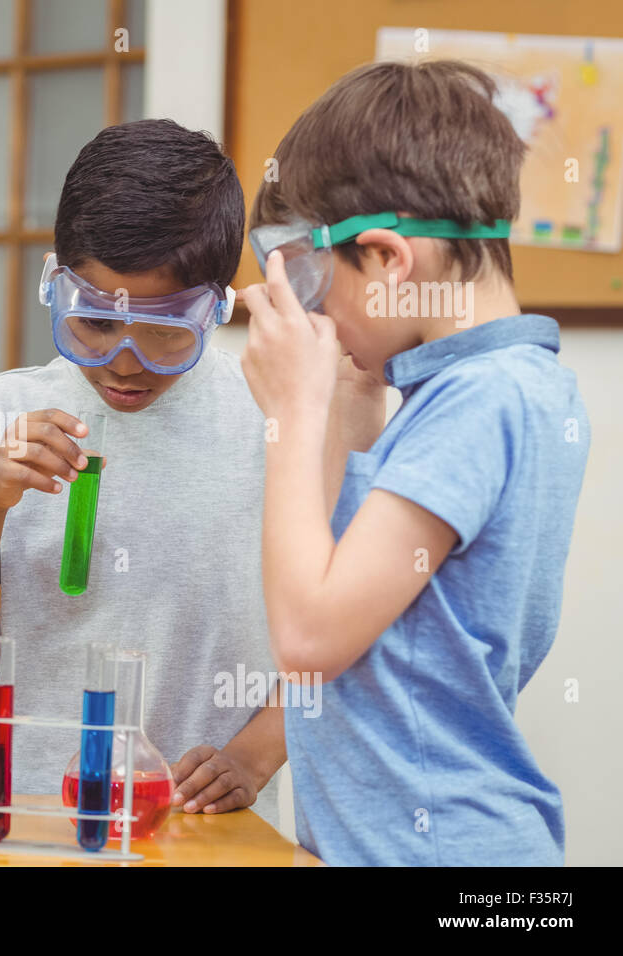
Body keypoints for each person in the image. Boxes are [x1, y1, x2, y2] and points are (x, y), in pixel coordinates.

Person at [0, 119, 309, 822]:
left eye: (163, 329)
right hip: (15, 814)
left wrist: (254, 755)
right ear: (55, 285)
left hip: (197, 823)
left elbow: (340, 637)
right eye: (95, 322)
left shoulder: (274, 419)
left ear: (216, 304)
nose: (126, 360)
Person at [240, 59, 589, 865]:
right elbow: (358, 601)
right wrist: (346, 414)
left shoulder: (483, 401)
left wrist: (294, 413)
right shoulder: (485, 391)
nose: (314, 310)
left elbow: (310, 638)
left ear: (392, 261)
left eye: (315, 277)